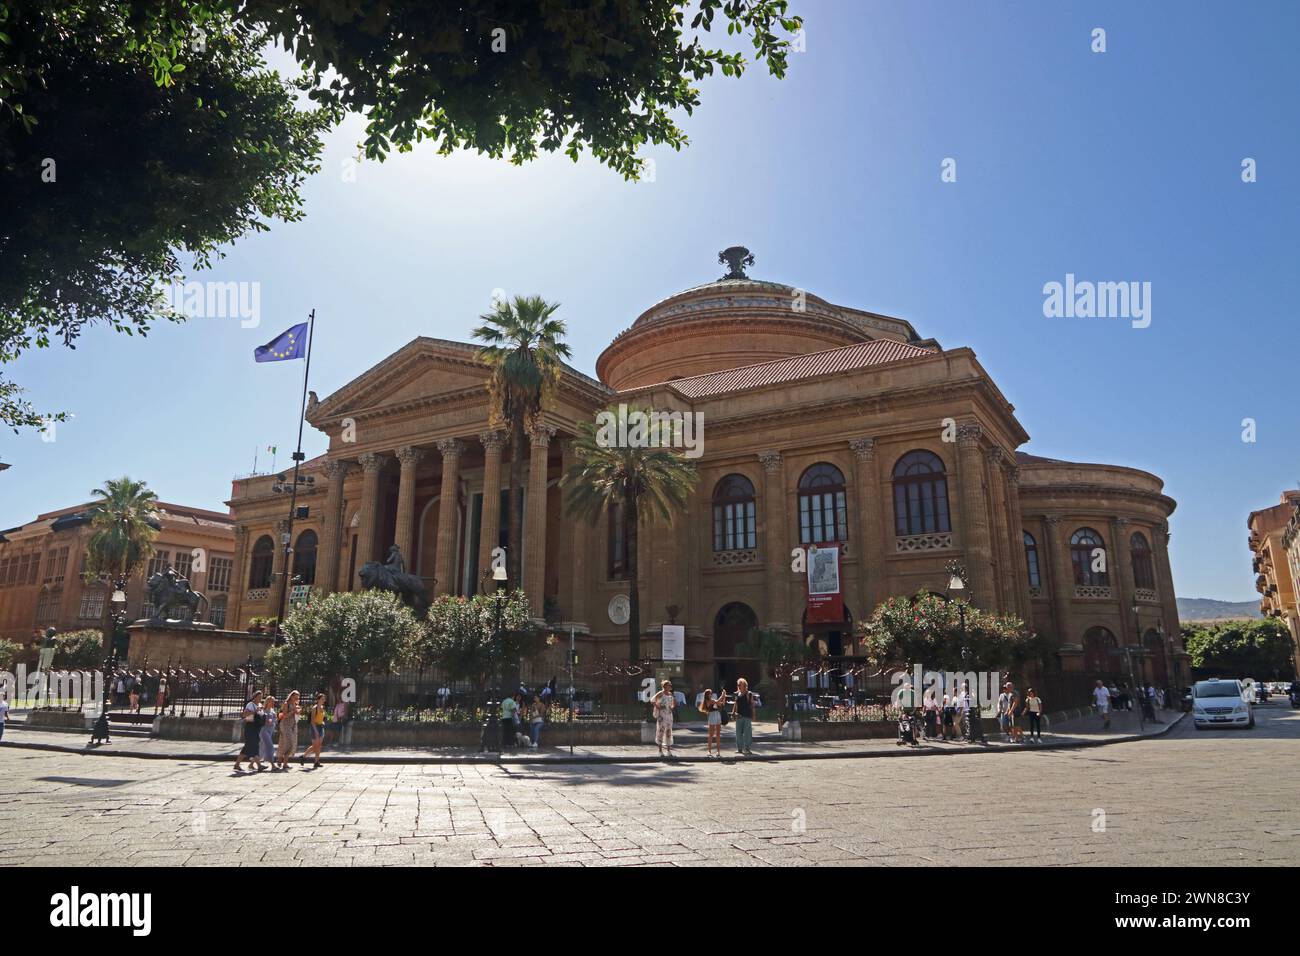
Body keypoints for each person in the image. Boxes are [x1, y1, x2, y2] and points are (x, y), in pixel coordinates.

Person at [234, 690, 264, 772]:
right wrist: (255, 711)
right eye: (259, 697)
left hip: (257, 728)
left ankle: (237, 765)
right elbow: (244, 714)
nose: (260, 698)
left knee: (247, 747)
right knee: (253, 745)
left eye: (261, 697)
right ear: (255, 697)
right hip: (250, 727)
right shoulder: (250, 704)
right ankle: (259, 765)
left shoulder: (260, 705)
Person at [276, 691, 300, 770]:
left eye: (298, 697)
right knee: (289, 743)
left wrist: (298, 712)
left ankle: (279, 760)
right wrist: (293, 711)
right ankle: (285, 763)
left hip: (293, 725)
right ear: (292, 696)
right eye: (296, 696)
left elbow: (297, 714)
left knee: (284, 742)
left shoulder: (295, 704)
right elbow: (284, 716)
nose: (297, 698)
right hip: (285, 725)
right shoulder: (286, 703)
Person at [301, 692, 326, 768]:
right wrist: (315, 731)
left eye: (324, 699)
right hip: (314, 727)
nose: (323, 700)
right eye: (322, 699)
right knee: (315, 746)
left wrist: (322, 722)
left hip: (321, 727)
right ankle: (303, 756)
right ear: (318, 699)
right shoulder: (314, 708)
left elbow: (321, 717)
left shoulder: (322, 707)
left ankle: (316, 761)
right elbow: (312, 721)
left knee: (319, 746)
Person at [651, 680, 676, 758]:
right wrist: (659, 706)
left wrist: (672, 707)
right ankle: (660, 751)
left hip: (669, 715)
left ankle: (668, 751)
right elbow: (652, 700)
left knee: (669, 732)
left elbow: (673, 703)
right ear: (664, 686)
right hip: (661, 715)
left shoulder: (670, 694)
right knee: (661, 731)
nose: (670, 686)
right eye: (669, 685)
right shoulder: (660, 693)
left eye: (670, 685)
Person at [699, 688, 727, 757]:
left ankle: (718, 751)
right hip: (712, 716)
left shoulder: (713, 700)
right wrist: (722, 695)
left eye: (711, 693)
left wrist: (724, 697)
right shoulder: (707, 701)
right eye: (709, 693)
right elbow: (717, 702)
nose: (711, 694)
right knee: (711, 735)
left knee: (718, 734)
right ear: (707, 695)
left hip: (717, 715)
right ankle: (709, 751)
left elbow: (721, 704)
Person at [732, 677, 755, 756]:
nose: (738, 686)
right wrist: (733, 712)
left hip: (747, 716)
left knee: (747, 733)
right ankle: (739, 749)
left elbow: (752, 705)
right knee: (738, 733)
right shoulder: (737, 694)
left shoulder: (749, 694)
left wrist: (753, 715)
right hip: (739, 716)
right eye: (738, 684)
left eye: (740, 684)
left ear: (744, 685)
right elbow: (735, 704)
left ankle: (747, 748)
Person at [259, 695, 278, 768]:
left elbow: (274, 720)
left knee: (262, 747)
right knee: (270, 747)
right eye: (272, 701)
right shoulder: (263, 710)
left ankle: (251, 764)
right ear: (267, 702)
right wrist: (266, 721)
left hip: (270, 731)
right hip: (264, 730)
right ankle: (273, 765)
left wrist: (275, 720)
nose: (273, 703)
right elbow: (261, 720)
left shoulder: (272, 710)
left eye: (274, 701)